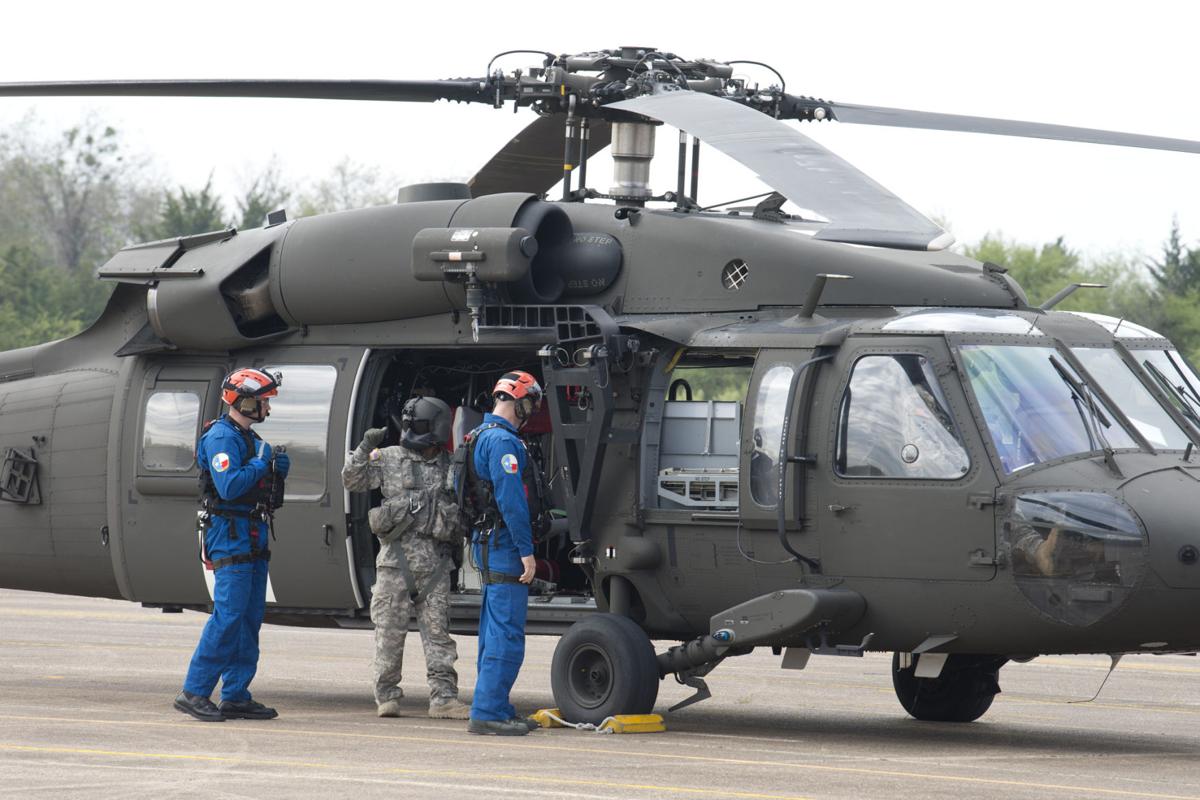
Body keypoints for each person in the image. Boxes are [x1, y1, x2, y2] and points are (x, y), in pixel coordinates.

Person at [341, 395, 470, 719]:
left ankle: (443, 698)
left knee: (440, 638)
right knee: (388, 634)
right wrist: (362, 449)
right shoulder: (386, 458)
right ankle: (386, 695)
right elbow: (351, 479)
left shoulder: (450, 465)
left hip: (436, 566)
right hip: (394, 565)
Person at [175, 368, 290, 722]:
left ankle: (236, 694)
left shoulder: (245, 436)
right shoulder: (223, 438)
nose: (267, 409)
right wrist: (260, 465)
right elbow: (229, 486)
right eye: (263, 402)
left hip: (250, 532)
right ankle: (194, 691)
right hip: (230, 535)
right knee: (228, 616)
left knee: (249, 617)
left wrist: (275, 471)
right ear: (244, 401)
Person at [460, 371, 546, 736]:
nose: (532, 411)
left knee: (493, 629)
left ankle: (494, 704)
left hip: (487, 541)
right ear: (519, 401)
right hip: (505, 545)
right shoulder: (503, 443)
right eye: (531, 402)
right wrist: (527, 551)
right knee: (506, 633)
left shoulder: (479, 435)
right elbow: (512, 501)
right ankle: (489, 711)